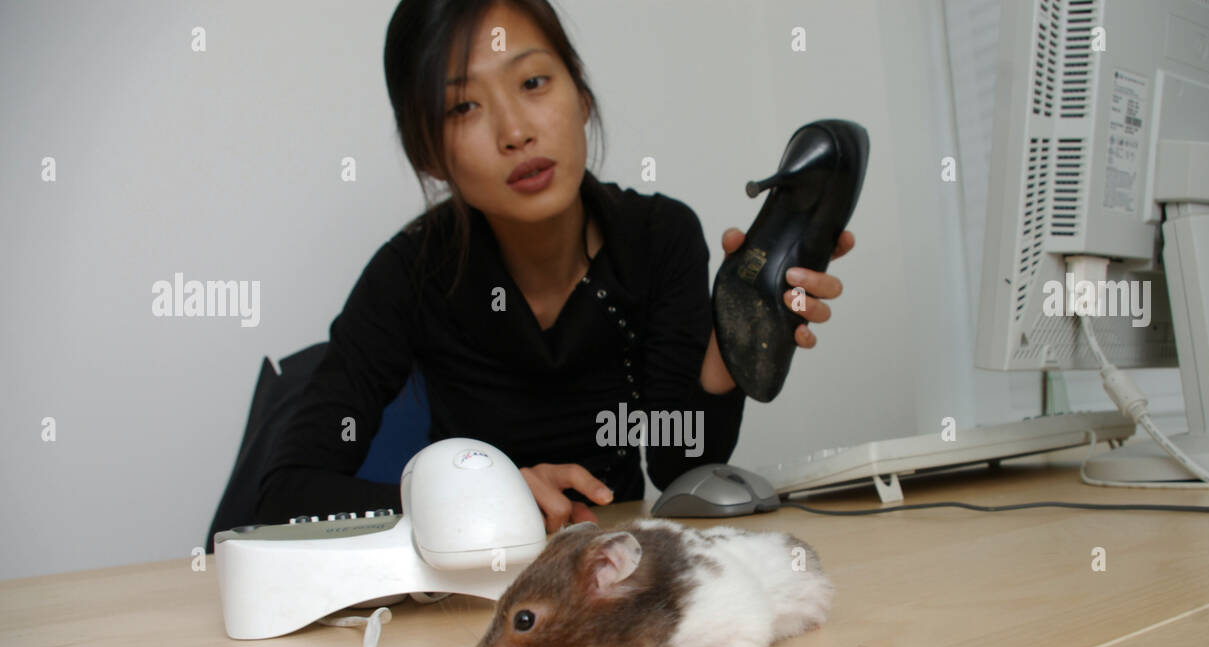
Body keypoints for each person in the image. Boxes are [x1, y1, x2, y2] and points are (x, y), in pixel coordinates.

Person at [256, 0, 854, 533]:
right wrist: (476, 501)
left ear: (582, 96)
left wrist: (722, 364)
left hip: (613, 583)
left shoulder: (657, 238)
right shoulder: (408, 274)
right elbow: (284, 495)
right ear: (429, 155)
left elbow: (681, 477)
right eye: (464, 106)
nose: (515, 131)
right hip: (471, 600)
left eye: (534, 81)